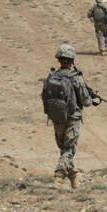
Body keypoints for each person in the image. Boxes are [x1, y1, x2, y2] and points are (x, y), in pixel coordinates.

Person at [41, 44, 96, 188]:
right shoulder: (75, 78)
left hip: (57, 118)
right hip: (73, 118)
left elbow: (44, 97)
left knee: (64, 149)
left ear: (59, 59)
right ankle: (59, 177)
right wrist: (91, 98)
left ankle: (73, 175)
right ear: (72, 60)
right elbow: (86, 101)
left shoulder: (51, 77)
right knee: (69, 149)